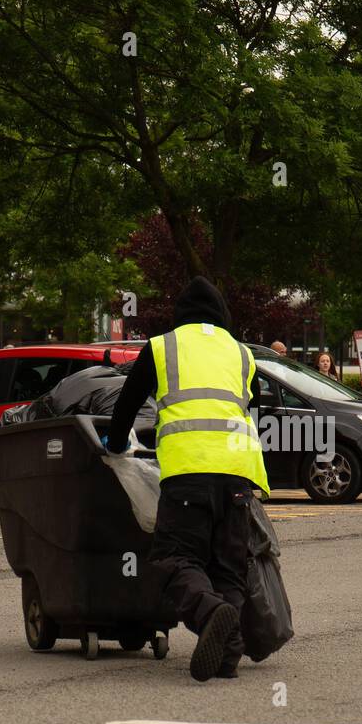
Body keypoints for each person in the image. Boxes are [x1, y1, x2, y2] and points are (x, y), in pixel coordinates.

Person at [107, 277, 270, 682]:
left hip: (187, 473)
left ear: (181, 315)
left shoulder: (163, 347)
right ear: (221, 314)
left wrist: (113, 448)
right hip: (238, 475)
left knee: (173, 560)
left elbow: (126, 405)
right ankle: (228, 656)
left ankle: (210, 611)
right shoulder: (241, 353)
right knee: (229, 567)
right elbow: (258, 400)